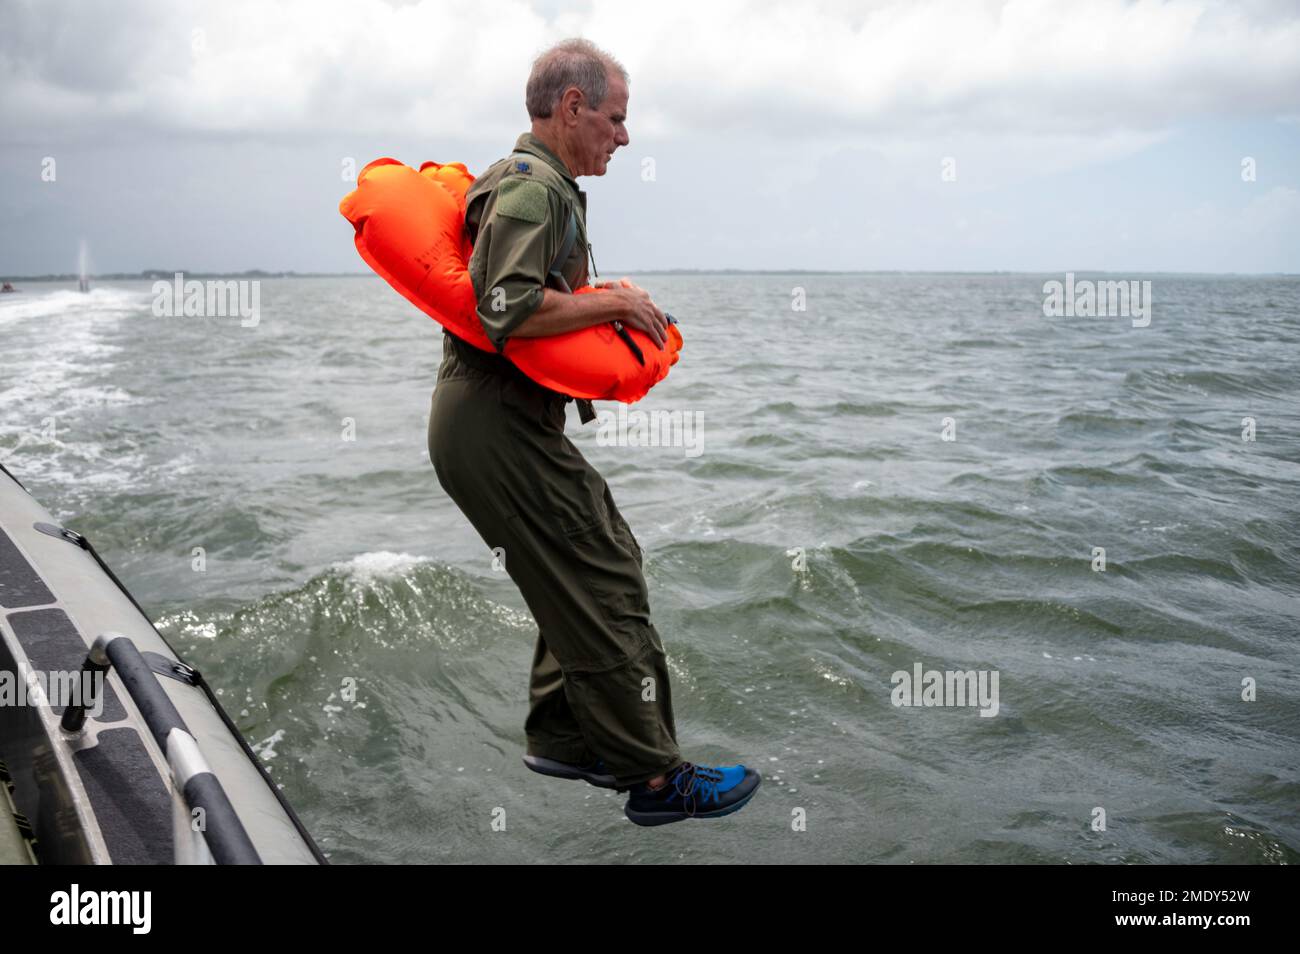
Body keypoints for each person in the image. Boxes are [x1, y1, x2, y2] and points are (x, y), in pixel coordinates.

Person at [426, 38, 759, 825]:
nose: (624, 136)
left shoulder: (542, 185)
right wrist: (612, 305)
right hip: (491, 421)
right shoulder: (531, 190)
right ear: (571, 107)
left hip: (496, 422)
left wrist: (608, 304)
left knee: (594, 559)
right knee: (605, 576)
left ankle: (567, 739)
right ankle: (654, 777)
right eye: (615, 118)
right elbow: (503, 308)